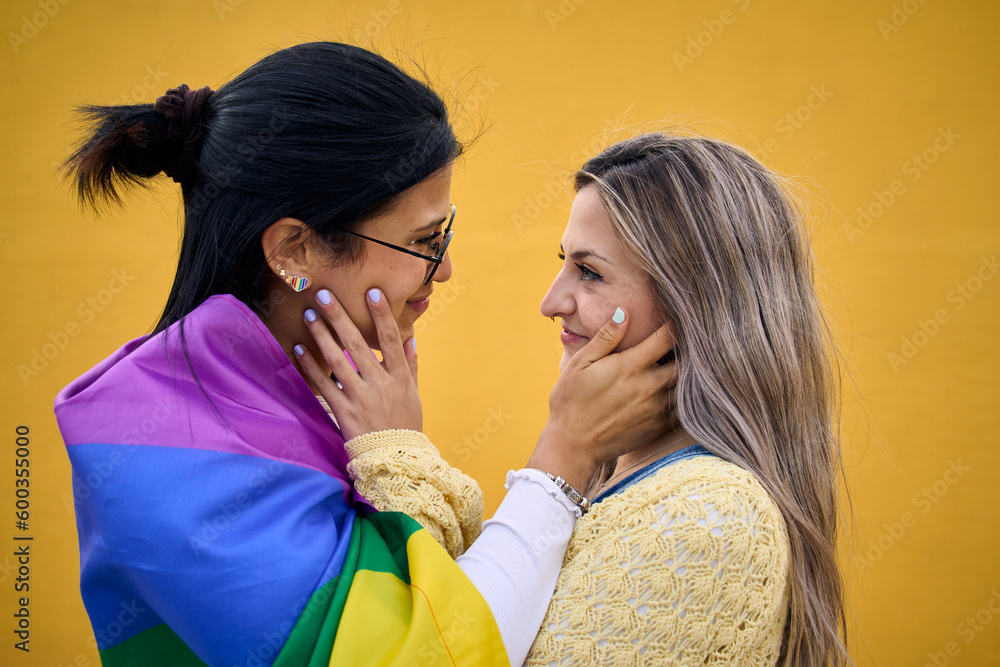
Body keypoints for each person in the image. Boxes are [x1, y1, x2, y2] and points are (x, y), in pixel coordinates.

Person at [54, 43, 677, 666]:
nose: (447, 268)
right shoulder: (165, 447)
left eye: (447, 232)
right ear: (294, 251)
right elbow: (439, 652)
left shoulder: (309, 396)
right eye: (425, 240)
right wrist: (565, 452)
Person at [520, 133, 849, 665]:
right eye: (564, 263)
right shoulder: (631, 477)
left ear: (692, 303)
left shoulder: (707, 516)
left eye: (589, 272)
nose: (551, 302)